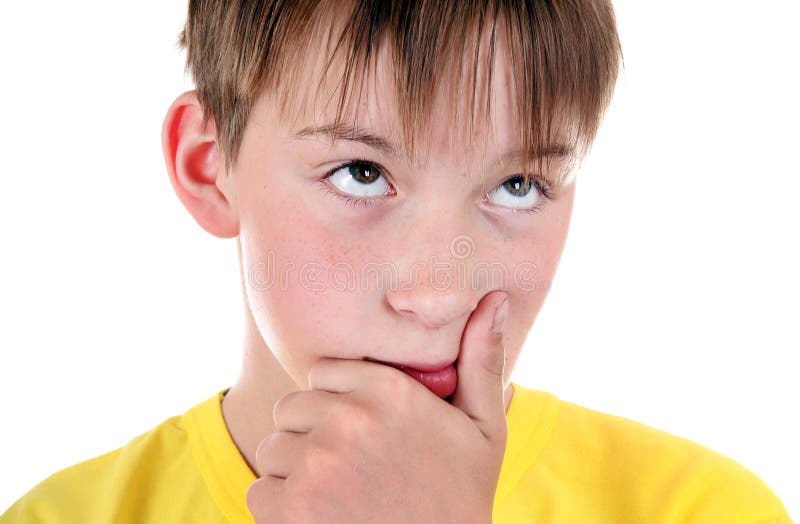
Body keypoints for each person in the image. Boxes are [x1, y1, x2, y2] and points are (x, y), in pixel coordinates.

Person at [1, 1, 793, 523]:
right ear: (209, 167)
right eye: (361, 173)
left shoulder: (701, 510)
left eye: (517, 185)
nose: (439, 295)